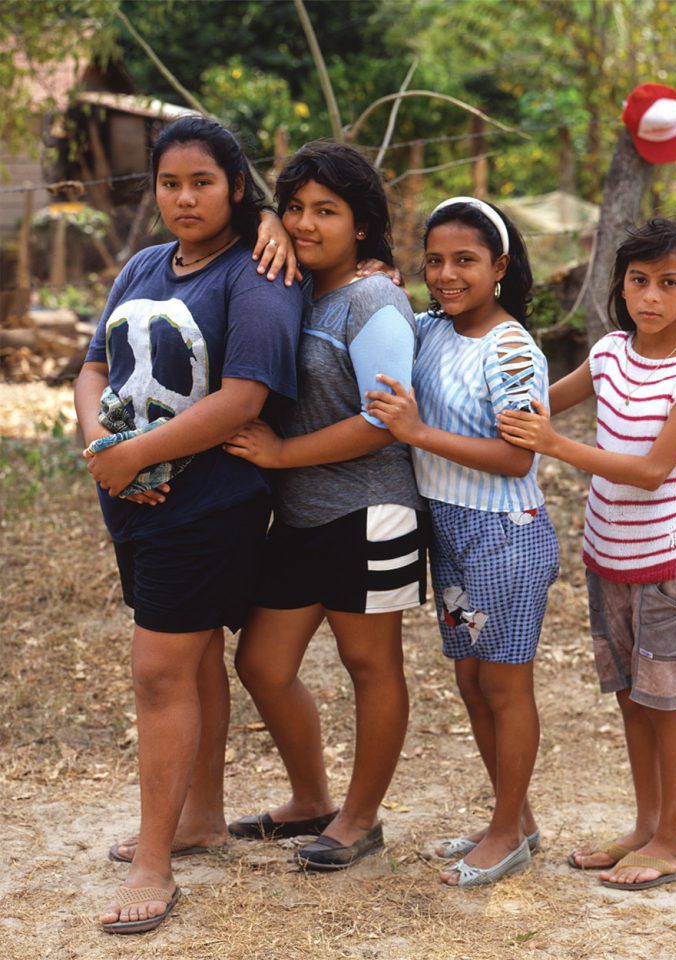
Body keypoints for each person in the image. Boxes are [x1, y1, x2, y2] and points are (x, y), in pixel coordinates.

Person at [74, 116, 302, 933]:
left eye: (202, 181)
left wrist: (135, 457)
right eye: (170, 183)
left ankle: (154, 864)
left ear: (237, 186)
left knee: (159, 673)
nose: (184, 197)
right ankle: (200, 816)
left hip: (209, 506)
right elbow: (94, 363)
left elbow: (244, 398)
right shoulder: (143, 264)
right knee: (194, 651)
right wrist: (104, 446)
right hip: (133, 501)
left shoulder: (258, 273)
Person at [497, 218, 676, 890]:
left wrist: (555, 445)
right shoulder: (609, 354)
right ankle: (646, 826)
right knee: (631, 699)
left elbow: (654, 470)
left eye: (667, 283)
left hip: (670, 568)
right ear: (619, 285)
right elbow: (538, 405)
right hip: (609, 558)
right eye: (638, 280)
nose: (650, 295)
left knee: (668, 704)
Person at [223, 141, 429, 871]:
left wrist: (279, 455)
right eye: (297, 208)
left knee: (369, 665)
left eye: (327, 211)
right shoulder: (298, 286)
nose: (307, 223)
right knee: (262, 663)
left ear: (362, 226)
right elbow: (232, 212)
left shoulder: (376, 299)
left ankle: (362, 818)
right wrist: (271, 225)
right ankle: (311, 798)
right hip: (303, 515)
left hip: (372, 512)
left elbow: (383, 418)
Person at [366, 197, 559, 888]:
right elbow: (385, 314)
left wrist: (416, 433)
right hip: (451, 536)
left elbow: (518, 459)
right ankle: (517, 819)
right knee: (473, 680)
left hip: (504, 538)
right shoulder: (433, 328)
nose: (446, 274)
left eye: (466, 261)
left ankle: (506, 834)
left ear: (500, 266)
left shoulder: (511, 349)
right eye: (436, 260)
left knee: (504, 686)